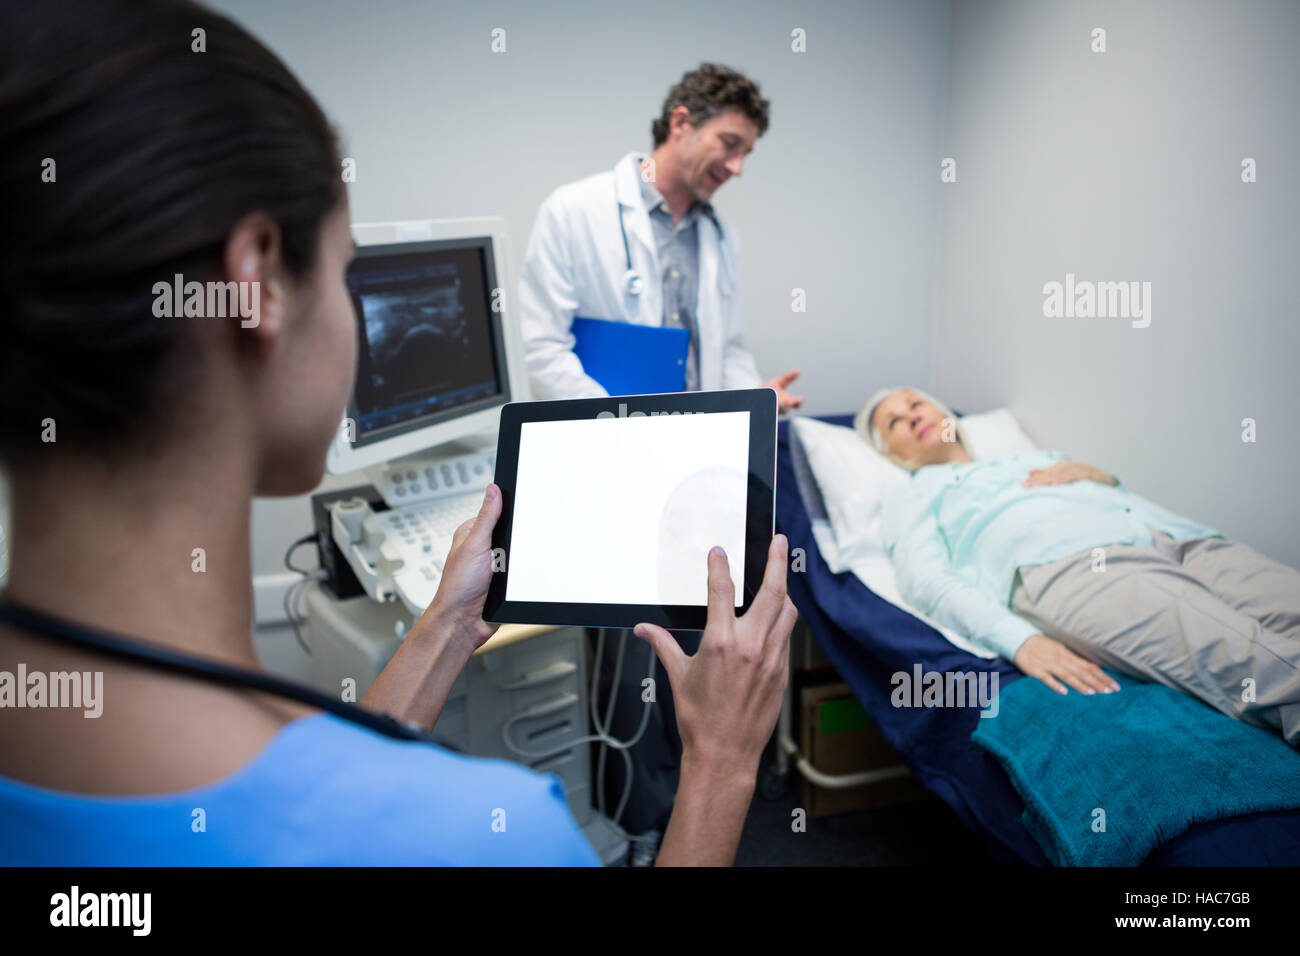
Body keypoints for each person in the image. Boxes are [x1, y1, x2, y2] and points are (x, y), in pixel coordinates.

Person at [0, 0, 797, 866]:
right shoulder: (493, 835)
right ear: (256, 283)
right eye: (346, 272)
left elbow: (326, 789)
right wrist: (721, 759)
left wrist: (445, 626)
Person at [864, 388, 1300, 745]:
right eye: (894, 422)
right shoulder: (913, 493)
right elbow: (925, 581)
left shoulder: (1030, 458)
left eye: (915, 403)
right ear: (889, 452)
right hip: (1074, 568)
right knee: (1258, 660)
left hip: (1178, 538)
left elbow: (1117, 495)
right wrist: (1020, 640)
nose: (911, 415)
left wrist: (1101, 477)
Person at [518, 62, 803, 412]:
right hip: (601, 437)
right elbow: (540, 348)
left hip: (700, 439)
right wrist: (617, 427)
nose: (737, 167)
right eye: (730, 144)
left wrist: (756, 397)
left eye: (745, 153)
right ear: (681, 123)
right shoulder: (572, 210)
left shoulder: (721, 236)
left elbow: (727, 348)